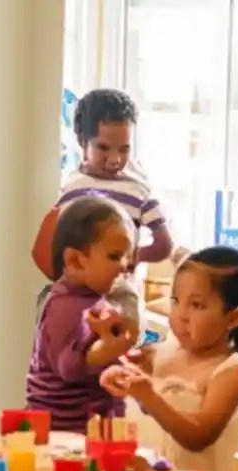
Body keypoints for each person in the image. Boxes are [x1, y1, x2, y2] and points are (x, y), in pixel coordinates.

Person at [101, 246, 238, 471]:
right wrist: (117, 375)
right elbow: (135, 397)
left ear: (234, 318)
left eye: (196, 305)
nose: (181, 315)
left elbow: (198, 436)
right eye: (176, 301)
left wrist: (148, 396)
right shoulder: (161, 352)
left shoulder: (231, 370)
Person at [31, 89, 176, 309]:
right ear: (82, 141)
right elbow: (50, 251)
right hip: (74, 301)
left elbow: (164, 244)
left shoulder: (138, 189)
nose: (115, 159)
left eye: (124, 149)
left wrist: (126, 259)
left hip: (120, 302)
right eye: (103, 148)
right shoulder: (70, 188)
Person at [25, 195, 137, 434]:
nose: (124, 266)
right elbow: (70, 366)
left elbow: (101, 358)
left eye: (127, 258)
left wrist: (127, 359)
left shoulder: (94, 299)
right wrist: (109, 347)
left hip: (90, 431)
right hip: (62, 432)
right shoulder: (62, 305)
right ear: (75, 261)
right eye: (114, 256)